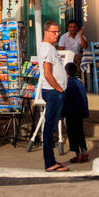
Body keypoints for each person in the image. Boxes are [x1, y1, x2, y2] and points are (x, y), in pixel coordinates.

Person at [37, 20, 69, 171]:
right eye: (54, 32)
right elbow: (47, 73)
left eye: (58, 32)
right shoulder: (47, 49)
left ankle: (51, 161)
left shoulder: (50, 48)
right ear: (46, 32)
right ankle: (49, 163)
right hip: (53, 91)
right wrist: (59, 89)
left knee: (52, 126)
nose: (57, 35)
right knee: (49, 127)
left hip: (56, 91)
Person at [62, 61, 90, 163]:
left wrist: (61, 113)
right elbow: (84, 98)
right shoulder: (80, 82)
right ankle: (84, 152)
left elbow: (65, 99)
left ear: (66, 73)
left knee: (72, 133)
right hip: (80, 111)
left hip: (71, 112)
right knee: (80, 132)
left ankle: (78, 155)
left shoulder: (67, 84)